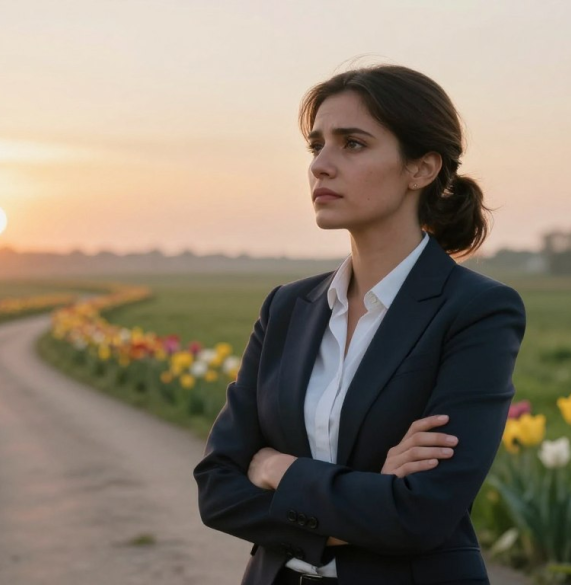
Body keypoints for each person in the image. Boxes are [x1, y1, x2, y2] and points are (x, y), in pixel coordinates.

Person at [192, 64, 527, 585]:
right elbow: (218, 489)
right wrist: (367, 497)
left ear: (421, 168)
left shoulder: (477, 310)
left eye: (352, 144)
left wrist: (279, 470)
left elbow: (421, 516)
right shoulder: (287, 307)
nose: (321, 166)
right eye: (316, 146)